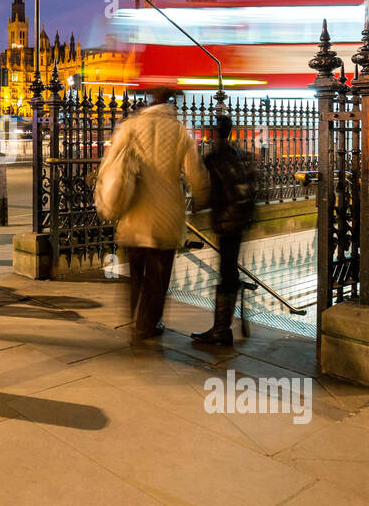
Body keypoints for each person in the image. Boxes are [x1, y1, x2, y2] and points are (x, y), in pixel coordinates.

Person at [102, 87, 209, 348]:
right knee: (158, 277)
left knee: (136, 272)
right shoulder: (179, 131)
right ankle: (148, 323)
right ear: (170, 103)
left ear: (150, 102)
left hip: (134, 215)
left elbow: (111, 164)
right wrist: (203, 201)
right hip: (166, 217)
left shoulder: (130, 126)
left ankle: (134, 317)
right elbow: (195, 175)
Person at [191, 114, 259, 347]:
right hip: (241, 219)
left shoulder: (213, 158)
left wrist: (197, 207)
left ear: (214, 132)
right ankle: (223, 326)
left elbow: (205, 190)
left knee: (227, 273)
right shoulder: (240, 156)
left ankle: (221, 330)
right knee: (229, 271)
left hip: (225, 221)